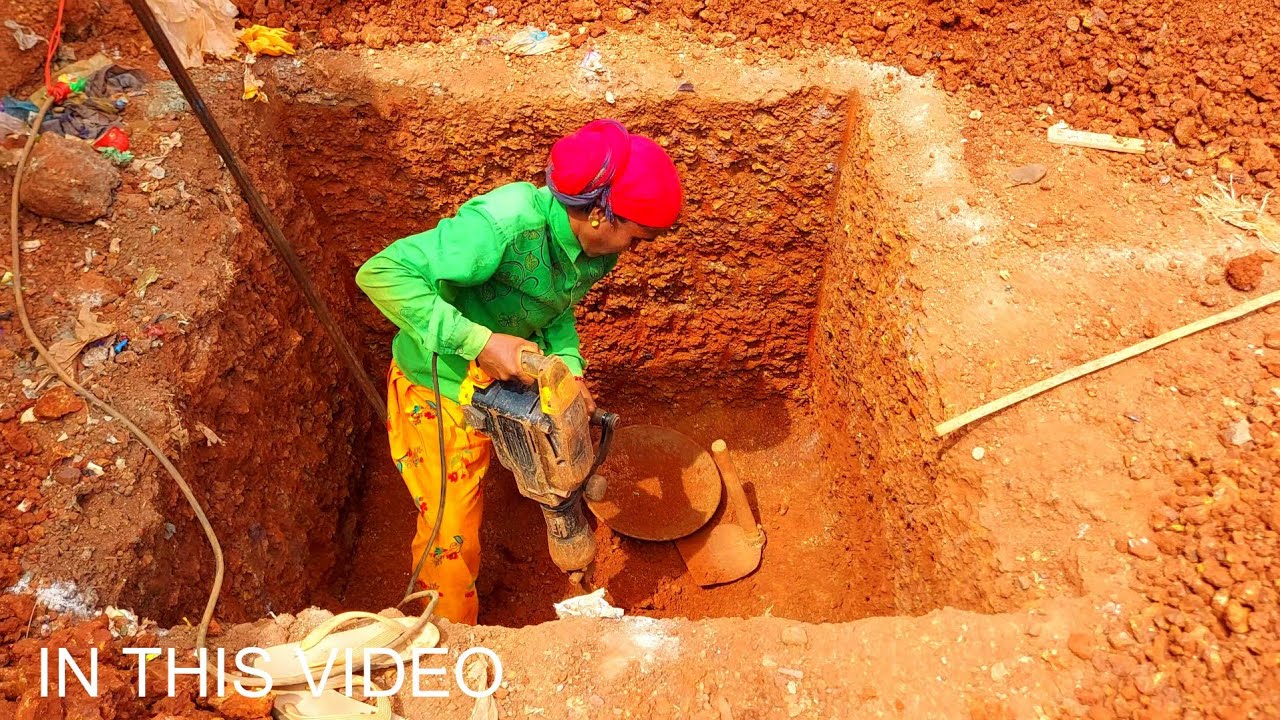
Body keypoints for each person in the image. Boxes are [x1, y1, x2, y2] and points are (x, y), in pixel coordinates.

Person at [355, 119, 683, 623]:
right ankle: (447, 632)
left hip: (502, 381)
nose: (631, 252)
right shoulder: (503, 225)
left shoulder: (590, 248)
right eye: (635, 239)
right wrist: (479, 342)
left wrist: (568, 367)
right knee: (451, 527)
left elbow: (554, 308)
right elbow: (380, 272)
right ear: (599, 214)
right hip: (439, 384)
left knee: (560, 439)